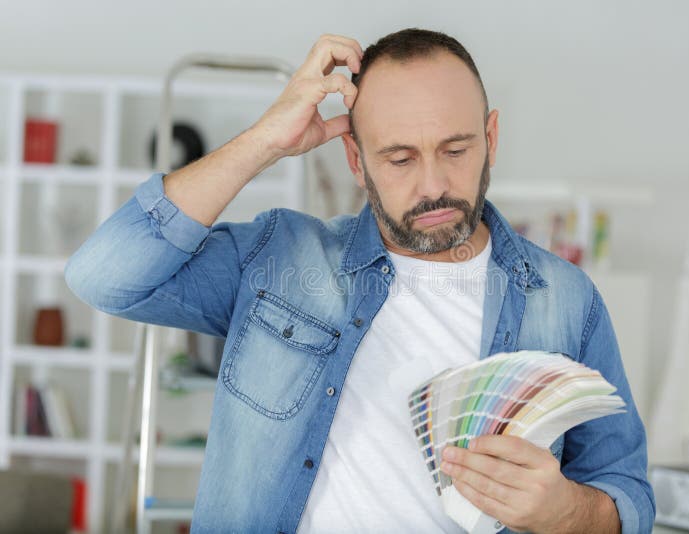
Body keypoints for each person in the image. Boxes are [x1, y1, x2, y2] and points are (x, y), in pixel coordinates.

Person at [65, 28, 654, 534]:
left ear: (491, 138)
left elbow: (626, 495)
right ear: (355, 158)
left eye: (456, 149)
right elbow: (104, 277)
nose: (433, 186)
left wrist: (567, 512)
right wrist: (265, 141)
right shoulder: (279, 260)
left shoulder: (566, 300)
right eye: (399, 159)